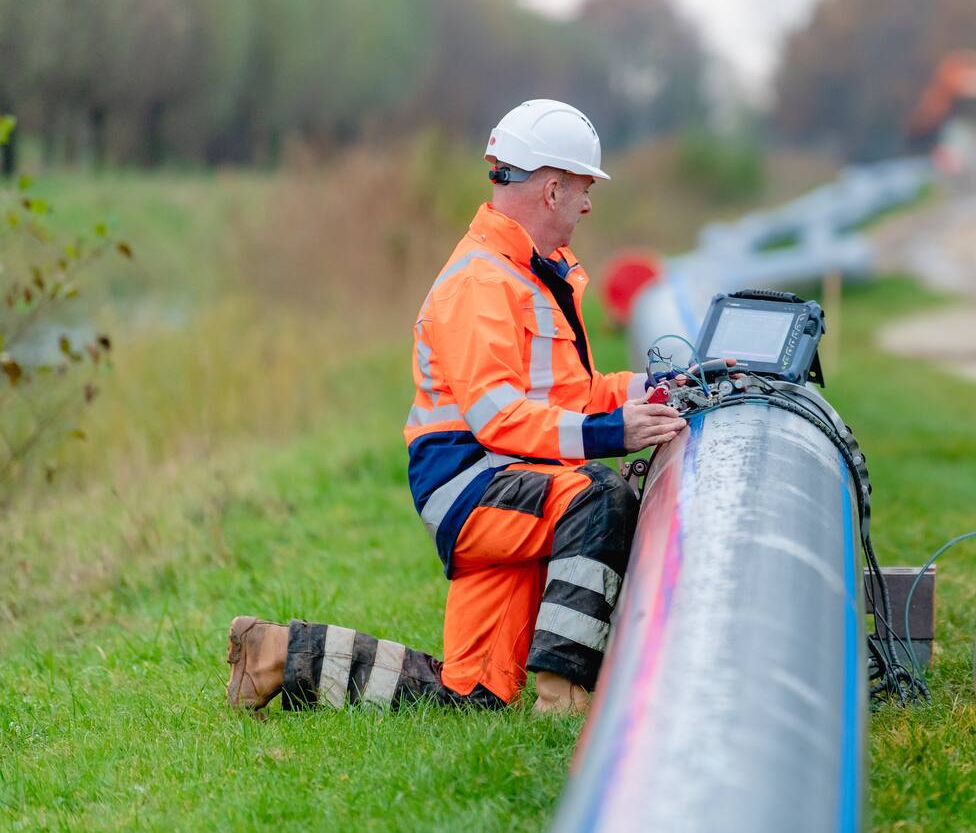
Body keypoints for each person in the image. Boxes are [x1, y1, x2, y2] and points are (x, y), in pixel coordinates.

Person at [225, 99, 688, 716]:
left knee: (471, 696)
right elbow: (499, 419)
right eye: (581, 188)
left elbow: (570, 396)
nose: (588, 203)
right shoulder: (482, 283)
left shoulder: (530, 273)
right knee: (598, 500)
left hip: (509, 479)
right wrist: (611, 433)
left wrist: (664, 388)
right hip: (477, 485)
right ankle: (566, 701)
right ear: (551, 190)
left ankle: (276, 654)